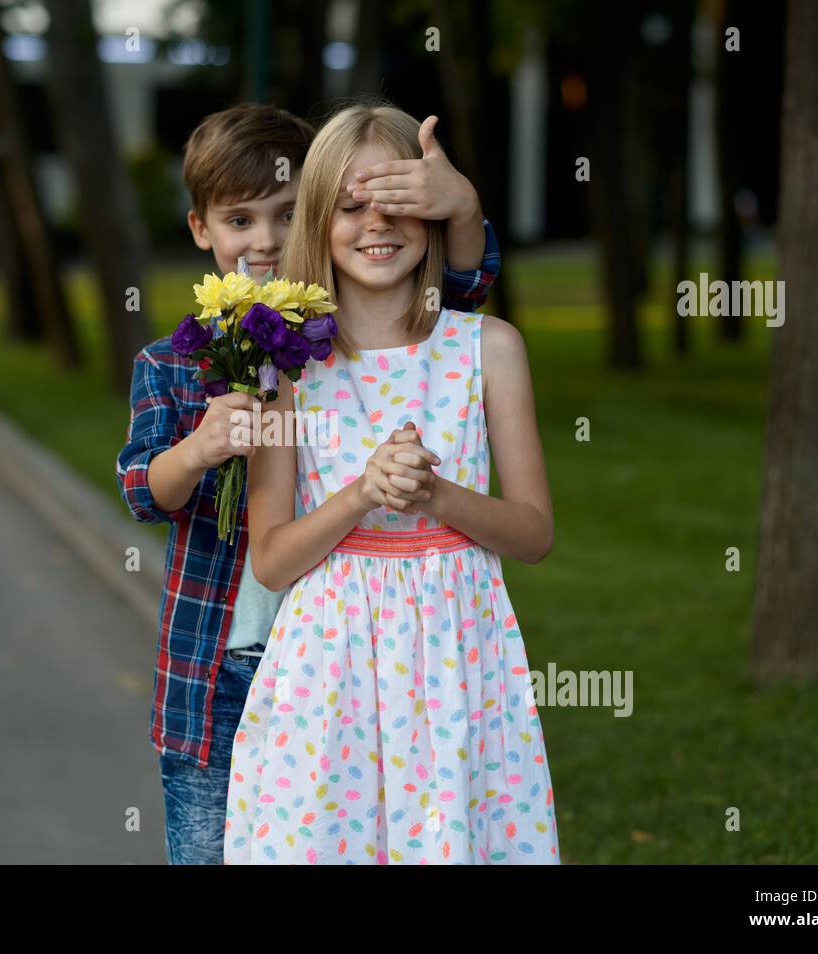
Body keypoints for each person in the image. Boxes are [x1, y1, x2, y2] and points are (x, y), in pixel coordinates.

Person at [116, 102, 502, 864]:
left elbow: (457, 293)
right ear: (201, 230)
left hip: (333, 663)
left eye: (287, 216)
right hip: (217, 665)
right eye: (239, 220)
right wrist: (200, 450)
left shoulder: (334, 341)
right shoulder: (173, 361)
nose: (263, 242)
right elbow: (141, 487)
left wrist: (462, 207)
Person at [224, 101, 559, 864]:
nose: (375, 224)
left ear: (432, 209)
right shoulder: (286, 370)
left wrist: (437, 498)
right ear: (318, 219)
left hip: (457, 665)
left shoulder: (490, 350)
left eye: (397, 202)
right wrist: (361, 494)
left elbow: (535, 533)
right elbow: (272, 561)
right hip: (327, 672)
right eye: (350, 207)